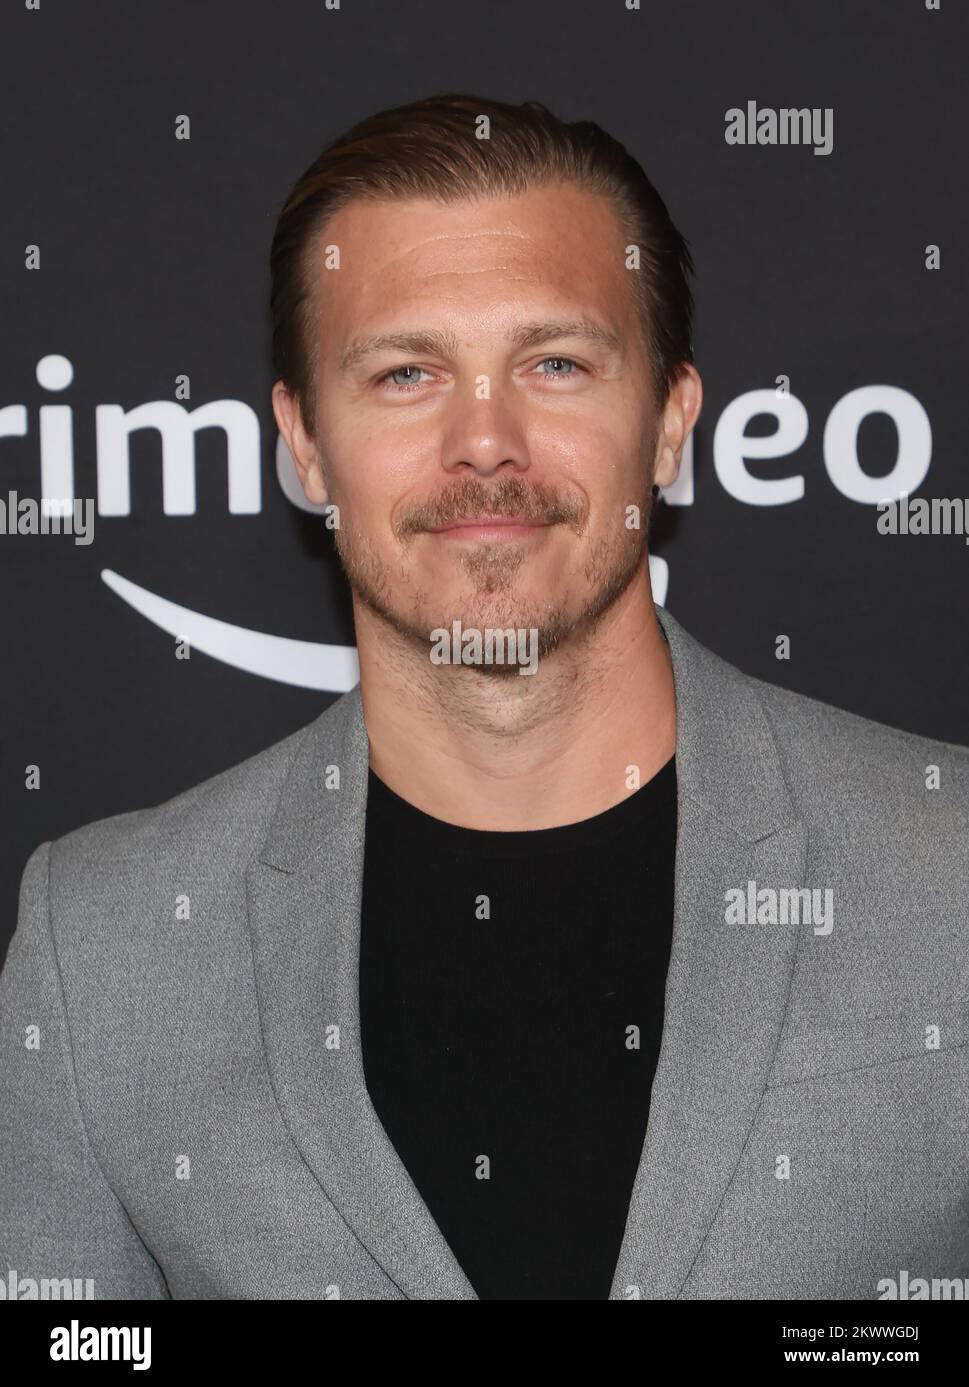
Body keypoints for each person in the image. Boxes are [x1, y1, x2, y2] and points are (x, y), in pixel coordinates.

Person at [2, 94, 967, 1301]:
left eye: (554, 363)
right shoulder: (101, 951)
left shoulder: (950, 870)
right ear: (304, 445)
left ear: (670, 420)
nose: (486, 442)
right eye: (407, 374)